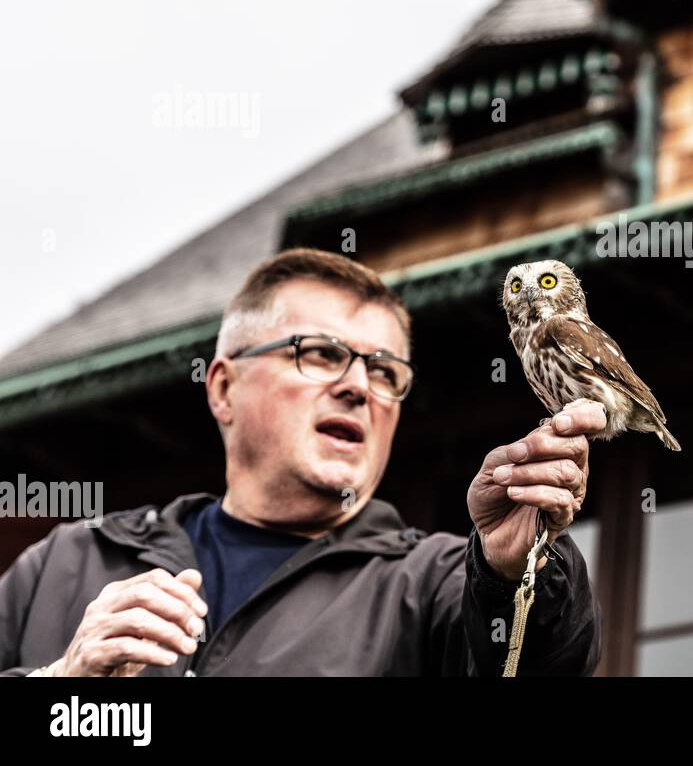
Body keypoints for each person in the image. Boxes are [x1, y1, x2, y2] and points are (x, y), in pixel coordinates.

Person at [0, 248, 601, 676]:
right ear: (223, 389)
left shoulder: (440, 584)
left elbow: (550, 663)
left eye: (385, 371)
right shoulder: (62, 564)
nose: (359, 387)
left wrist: (517, 571)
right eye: (319, 354)